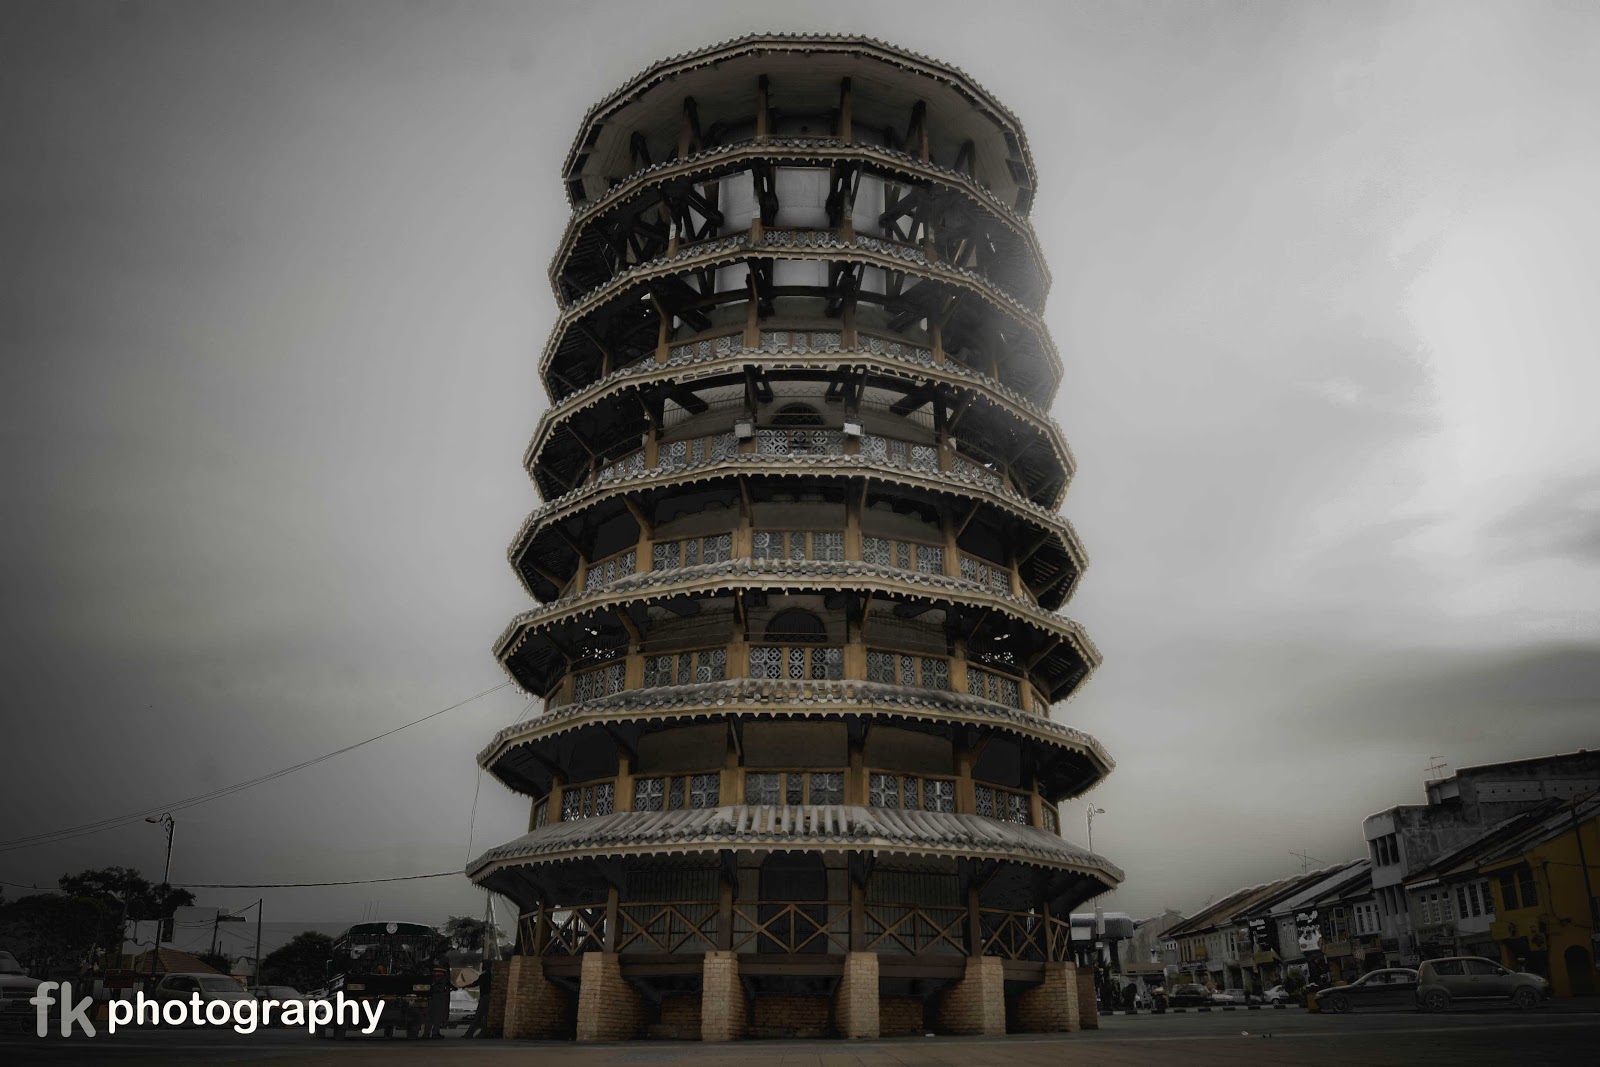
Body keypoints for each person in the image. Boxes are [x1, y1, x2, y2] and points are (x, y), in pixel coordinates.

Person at [462, 966, 492, 1039]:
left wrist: (465, 986)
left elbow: (475, 984)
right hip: (490, 997)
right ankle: (482, 1032)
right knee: (485, 1016)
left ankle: (470, 1034)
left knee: (479, 1016)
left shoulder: (483, 975)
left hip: (484, 997)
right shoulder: (492, 975)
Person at [425, 967, 451, 1039]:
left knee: (429, 1016)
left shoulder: (432, 974)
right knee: (438, 1016)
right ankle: (435, 1033)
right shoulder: (443, 973)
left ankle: (426, 1034)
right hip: (439, 996)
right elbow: (447, 983)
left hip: (431, 997)